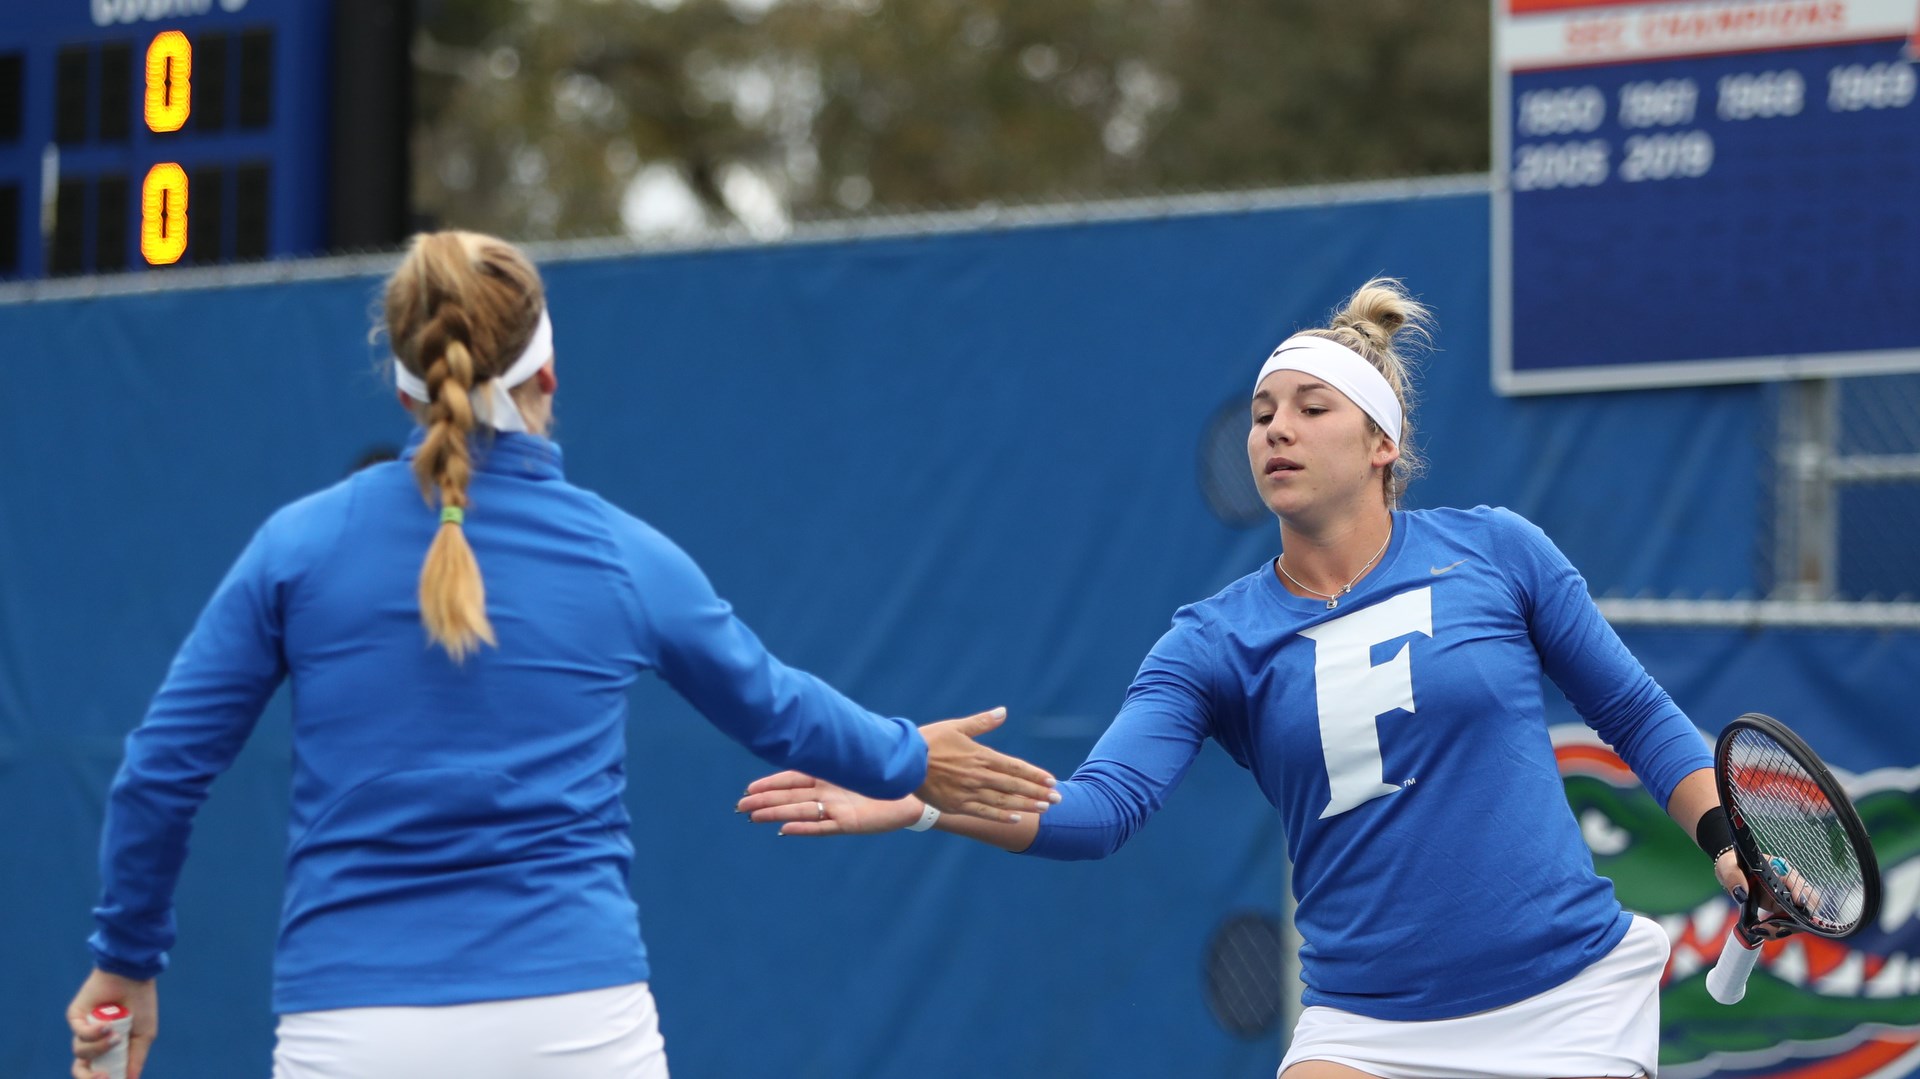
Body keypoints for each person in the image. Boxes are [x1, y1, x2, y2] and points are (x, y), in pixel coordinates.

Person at [736, 278, 1798, 1079]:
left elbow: (1638, 715)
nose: (1275, 428)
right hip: (1365, 1023)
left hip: (1563, 1001)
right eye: (1259, 411)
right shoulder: (1210, 641)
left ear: (1383, 443)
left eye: (1309, 408)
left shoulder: (1498, 553)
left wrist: (1727, 842)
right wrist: (923, 795)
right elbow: (1097, 811)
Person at [65, 229, 1059, 1079]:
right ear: (547, 371)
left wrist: (125, 962)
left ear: (407, 392)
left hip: (353, 1031)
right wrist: (912, 757)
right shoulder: (621, 555)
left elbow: (160, 771)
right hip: (575, 1026)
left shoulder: (300, 545)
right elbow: (780, 708)